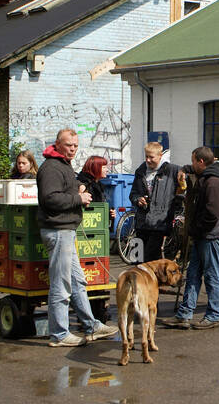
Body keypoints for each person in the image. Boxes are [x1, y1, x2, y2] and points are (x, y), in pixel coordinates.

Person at [37, 129, 114, 347]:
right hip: (58, 230)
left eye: (76, 146)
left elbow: (62, 191)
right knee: (61, 285)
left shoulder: (63, 165)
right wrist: (77, 198)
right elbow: (49, 198)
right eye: (69, 145)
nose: (72, 148)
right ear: (57, 144)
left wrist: (76, 188)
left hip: (66, 231)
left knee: (78, 281)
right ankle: (59, 334)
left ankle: (91, 325)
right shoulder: (51, 167)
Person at [162, 147, 219, 329]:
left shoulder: (212, 183)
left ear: (201, 162)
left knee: (211, 276)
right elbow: (190, 169)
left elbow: (213, 213)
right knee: (193, 274)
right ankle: (184, 314)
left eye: (193, 161)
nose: (191, 164)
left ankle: (213, 316)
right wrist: (184, 170)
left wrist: (196, 229)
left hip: (209, 236)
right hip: (203, 235)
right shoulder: (207, 176)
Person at [130, 141, 183, 262]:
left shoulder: (171, 170)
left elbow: (187, 173)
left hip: (159, 223)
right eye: (146, 156)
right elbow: (133, 194)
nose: (148, 160)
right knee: (137, 260)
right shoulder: (140, 171)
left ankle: (152, 281)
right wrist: (138, 199)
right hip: (141, 223)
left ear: (160, 156)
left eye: (151, 157)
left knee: (151, 260)